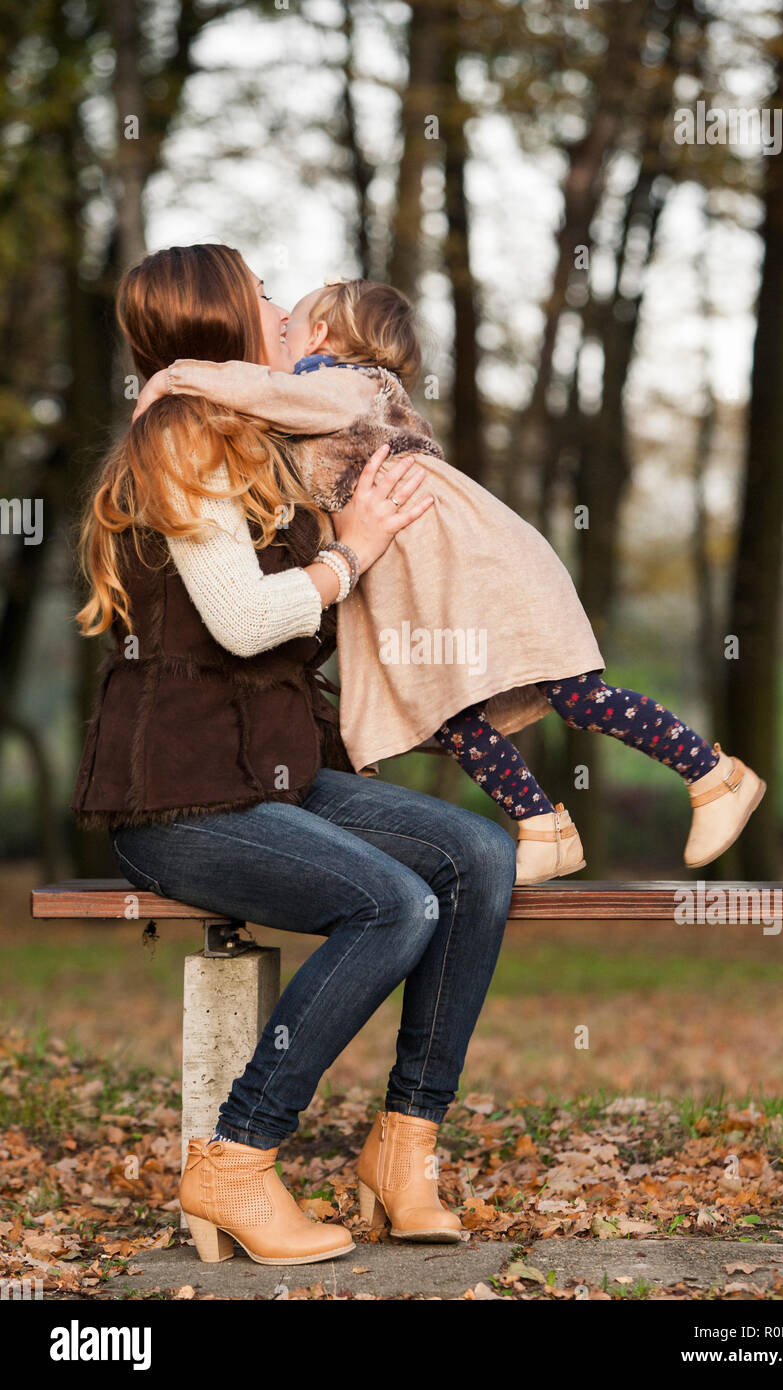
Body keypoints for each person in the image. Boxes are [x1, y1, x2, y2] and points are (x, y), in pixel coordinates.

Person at [70, 244, 517, 1265]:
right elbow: (239, 618)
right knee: (391, 902)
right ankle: (236, 1155)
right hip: (177, 801)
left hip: (268, 773)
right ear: (226, 314)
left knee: (475, 855)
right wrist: (346, 553)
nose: (284, 308)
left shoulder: (259, 427)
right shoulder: (180, 434)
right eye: (262, 292)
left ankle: (404, 1146)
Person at [135, 277, 766, 885]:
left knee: (573, 693)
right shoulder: (316, 412)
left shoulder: (349, 388)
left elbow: (269, 395)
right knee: (450, 714)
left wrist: (175, 376)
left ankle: (713, 774)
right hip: (426, 585)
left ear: (320, 336)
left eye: (288, 319)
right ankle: (542, 825)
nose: (276, 327)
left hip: (477, 568)